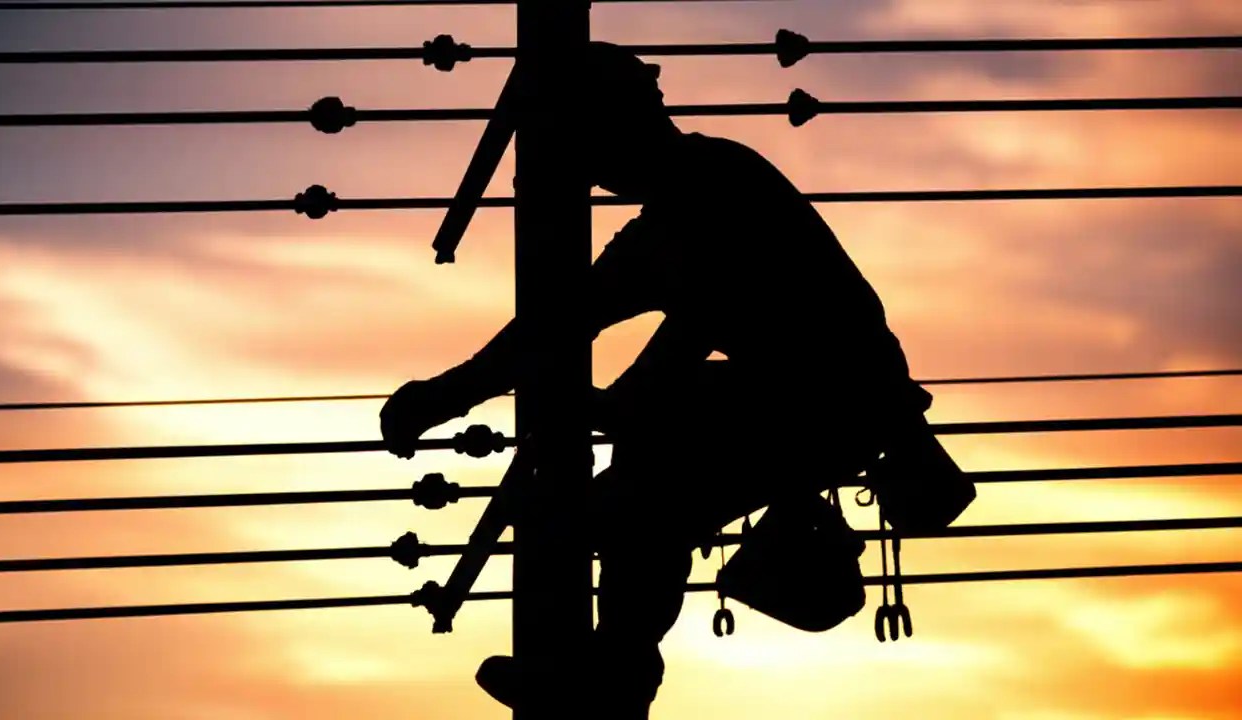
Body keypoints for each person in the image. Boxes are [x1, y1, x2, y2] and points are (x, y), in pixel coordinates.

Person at [380, 41, 973, 718]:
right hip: (799, 401)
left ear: (615, 130)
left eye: (591, 154)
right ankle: (610, 676)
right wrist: (443, 397)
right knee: (634, 494)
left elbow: (698, 320)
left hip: (839, 403)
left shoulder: (715, 187)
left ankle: (611, 680)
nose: (594, 177)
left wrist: (615, 406)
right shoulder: (666, 219)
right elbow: (559, 324)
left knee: (636, 507)